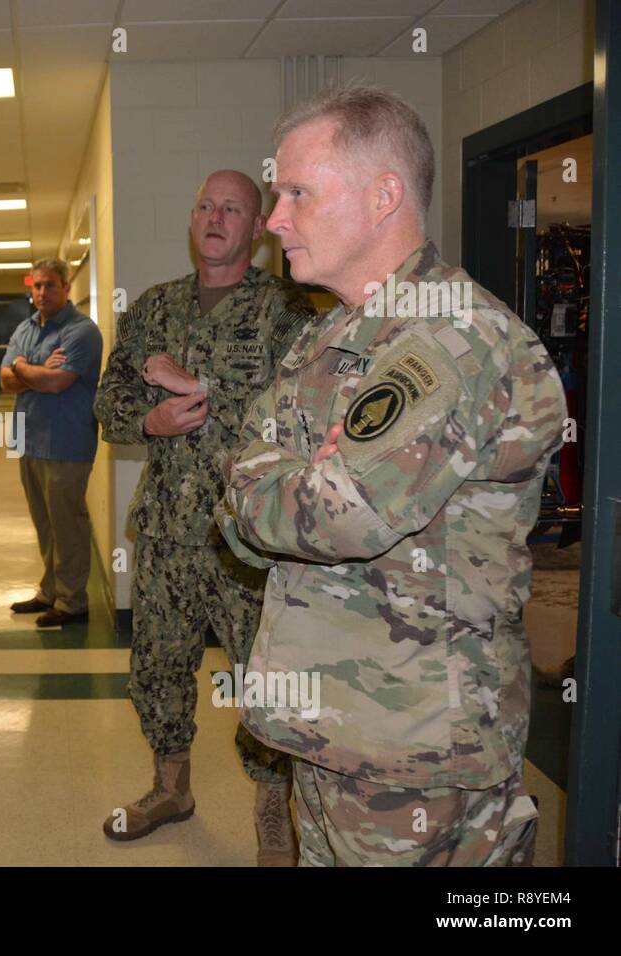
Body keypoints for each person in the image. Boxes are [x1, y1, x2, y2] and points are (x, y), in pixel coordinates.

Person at [215, 81, 566, 866]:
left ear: (383, 196)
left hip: (414, 749)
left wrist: (280, 477)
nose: (275, 218)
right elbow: (240, 492)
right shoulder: (330, 336)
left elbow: (332, 513)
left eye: (298, 191)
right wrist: (278, 478)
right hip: (336, 725)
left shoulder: (452, 343)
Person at [94, 170, 315, 863]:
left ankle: (273, 813)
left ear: (256, 228)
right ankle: (171, 787)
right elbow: (108, 406)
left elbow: (307, 420)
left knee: (262, 678)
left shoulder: (289, 312)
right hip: (164, 533)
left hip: (248, 542)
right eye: (204, 206)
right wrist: (150, 420)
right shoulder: (153, 310)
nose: (215, 217)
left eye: (233, 209)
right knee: (158, 666)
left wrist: (199, 389)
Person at [0, 258, 103, 627]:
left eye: (51, 285)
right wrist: (40, 370)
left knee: (67, 524)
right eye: (37, 286)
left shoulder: (82, 331)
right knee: (44, 522)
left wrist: (25, 368)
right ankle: (49, 590)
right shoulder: (24, 328)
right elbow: (4, 381)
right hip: (29, 441)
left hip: (66, 443)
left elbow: (58, 383)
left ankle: (72, 602)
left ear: (66, 288)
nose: (42, 292)